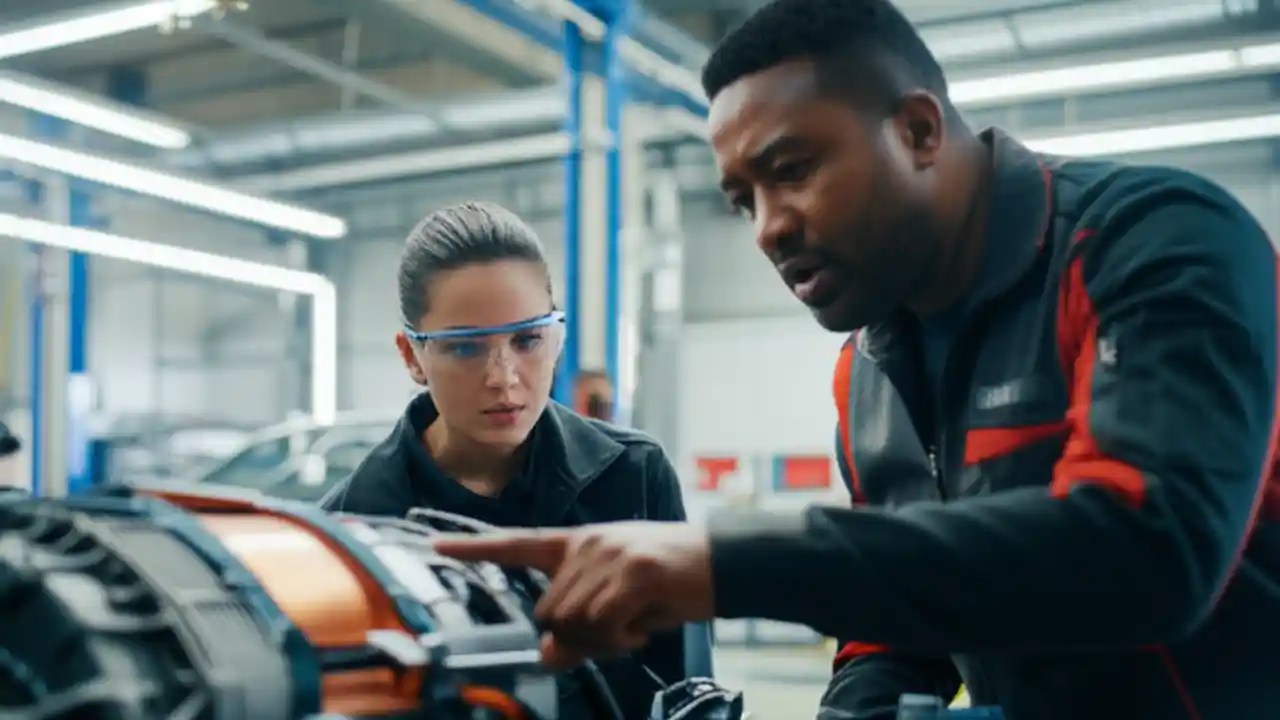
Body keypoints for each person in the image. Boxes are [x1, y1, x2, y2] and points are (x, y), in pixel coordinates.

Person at [435, 1, 1280, 719]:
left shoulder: (1152, 245)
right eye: (743, 201)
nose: (767, 226)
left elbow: (1148, 551)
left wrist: (731, 562)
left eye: (791, 170)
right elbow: (902, 628)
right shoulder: (868, 367)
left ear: (916, 130)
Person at [321, 201, 711, 718]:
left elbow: (688, 692)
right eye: (465, 348)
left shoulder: (633, 478)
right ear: (412, 356)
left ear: (558, 337)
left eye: (527, 340)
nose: (504, 378)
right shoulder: (348, 529)